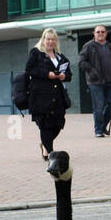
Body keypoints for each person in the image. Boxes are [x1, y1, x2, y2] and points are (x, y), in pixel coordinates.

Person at [25, 28, 71, 158]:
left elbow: (69, 74)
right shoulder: (36, 53)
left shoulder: (60, 56)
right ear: (43, 39)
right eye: (48, 39)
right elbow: (29, 70)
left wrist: (64, 76)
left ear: (56, 41)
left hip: (57, 96)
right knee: (45, 125)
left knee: (58, 124)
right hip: (40, 95)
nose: (50, 42)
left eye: (53, 39)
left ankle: (45, 144)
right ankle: (50, 154)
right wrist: (47, 74)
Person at [79, 24, 111, 137]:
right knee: (98, 106)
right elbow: (81, 62)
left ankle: (103, 126)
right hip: (95, 82)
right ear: (94, 33)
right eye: (98, 32)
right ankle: (98, 130)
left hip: (110, 81)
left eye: (103, 32)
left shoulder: (110, 46)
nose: (100, 34)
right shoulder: (88, 46)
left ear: (106, 33)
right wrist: (92, 71)